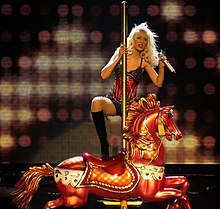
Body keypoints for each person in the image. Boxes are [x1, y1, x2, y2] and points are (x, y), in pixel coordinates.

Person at [91, 22, 167, 159]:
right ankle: (104, 145)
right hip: (113, 101)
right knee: (96, 102)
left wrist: (161, 67)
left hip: (130, 105)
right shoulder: (120, 53)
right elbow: (104, 75)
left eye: (145, 39)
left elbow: (158, 82)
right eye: (139, 38)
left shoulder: (144, 62)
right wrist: (119, 56)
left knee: (134, 133)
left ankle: (131, 156)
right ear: (132, 38)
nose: (141, 41)